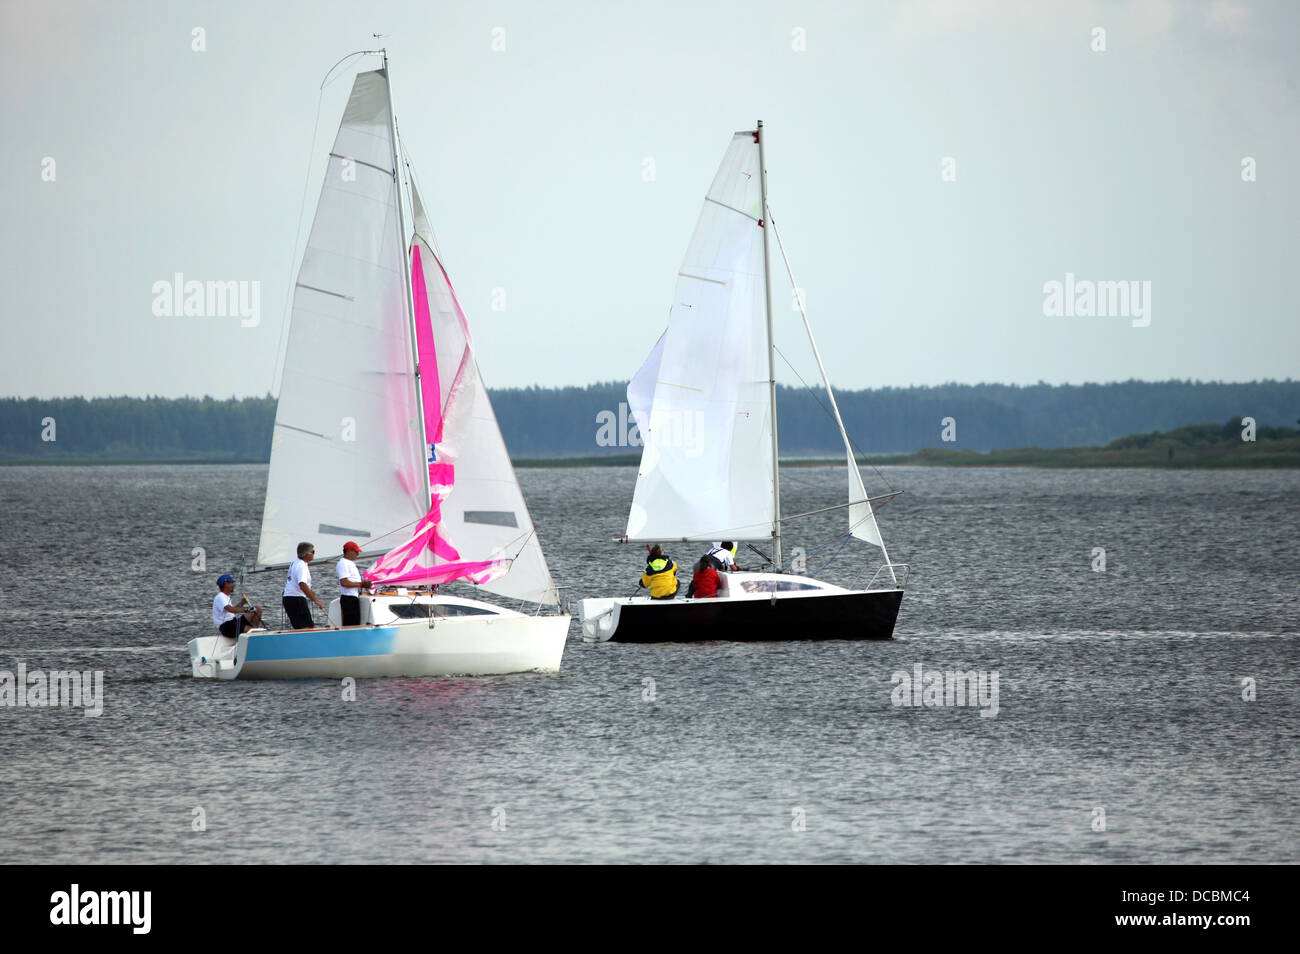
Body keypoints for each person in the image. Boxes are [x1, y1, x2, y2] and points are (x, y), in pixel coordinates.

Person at [283, 541, 326, 629]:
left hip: (290, 598)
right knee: (306, 627)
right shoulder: (301, 565)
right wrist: (315, 600)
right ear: (307, 554)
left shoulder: (295, 562)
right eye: (313, 552)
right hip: (296, 599)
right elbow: (302, 584)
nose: (314, 554)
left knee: (303, 626)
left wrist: (310, 593)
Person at [336, 541, 367, 627]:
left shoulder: (349, 563)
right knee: (350, 625)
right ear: (349, 550)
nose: (357, 554)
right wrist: (361, 584)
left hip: (353, 598)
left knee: (355, 624)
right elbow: (344, 582)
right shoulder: (343, 563)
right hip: (348, 599)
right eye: (356, 552)